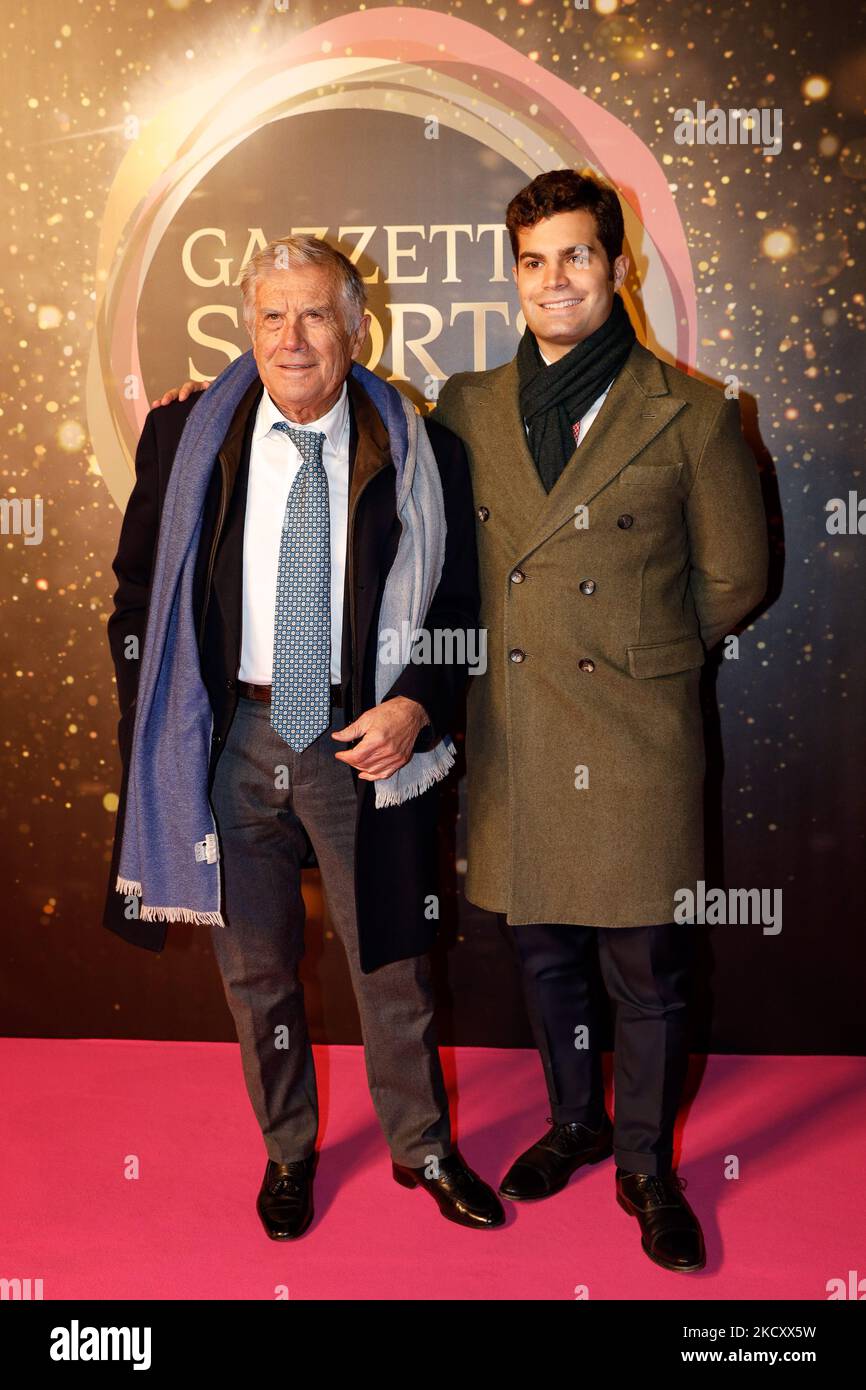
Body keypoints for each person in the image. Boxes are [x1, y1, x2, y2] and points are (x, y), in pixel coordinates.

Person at [153, 171, 769, 1273]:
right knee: (319, 968)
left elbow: (721, 581)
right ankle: (327, 1149)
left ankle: (584, 1162)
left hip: (518, 735)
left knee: (549, 966)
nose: (554, 279)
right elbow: (140, 601)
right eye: (532, 261)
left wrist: (439, 695)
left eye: (576, 256)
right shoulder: (235, 431)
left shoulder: (463, 432)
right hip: (332, 739)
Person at [104, 235, 504, 1240]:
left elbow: (458, 602)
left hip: (358, 736)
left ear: (357, 328)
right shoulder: (186, 435)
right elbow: (139, 593)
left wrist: (415, 704)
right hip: (230, 733)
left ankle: (422, 1146)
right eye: (271, 314)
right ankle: (288, 1150)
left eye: (314, 313)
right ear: (248, 327)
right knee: (255, 970)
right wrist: (159, 729)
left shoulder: (420, 449)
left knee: (392, 960)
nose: (291, 337)